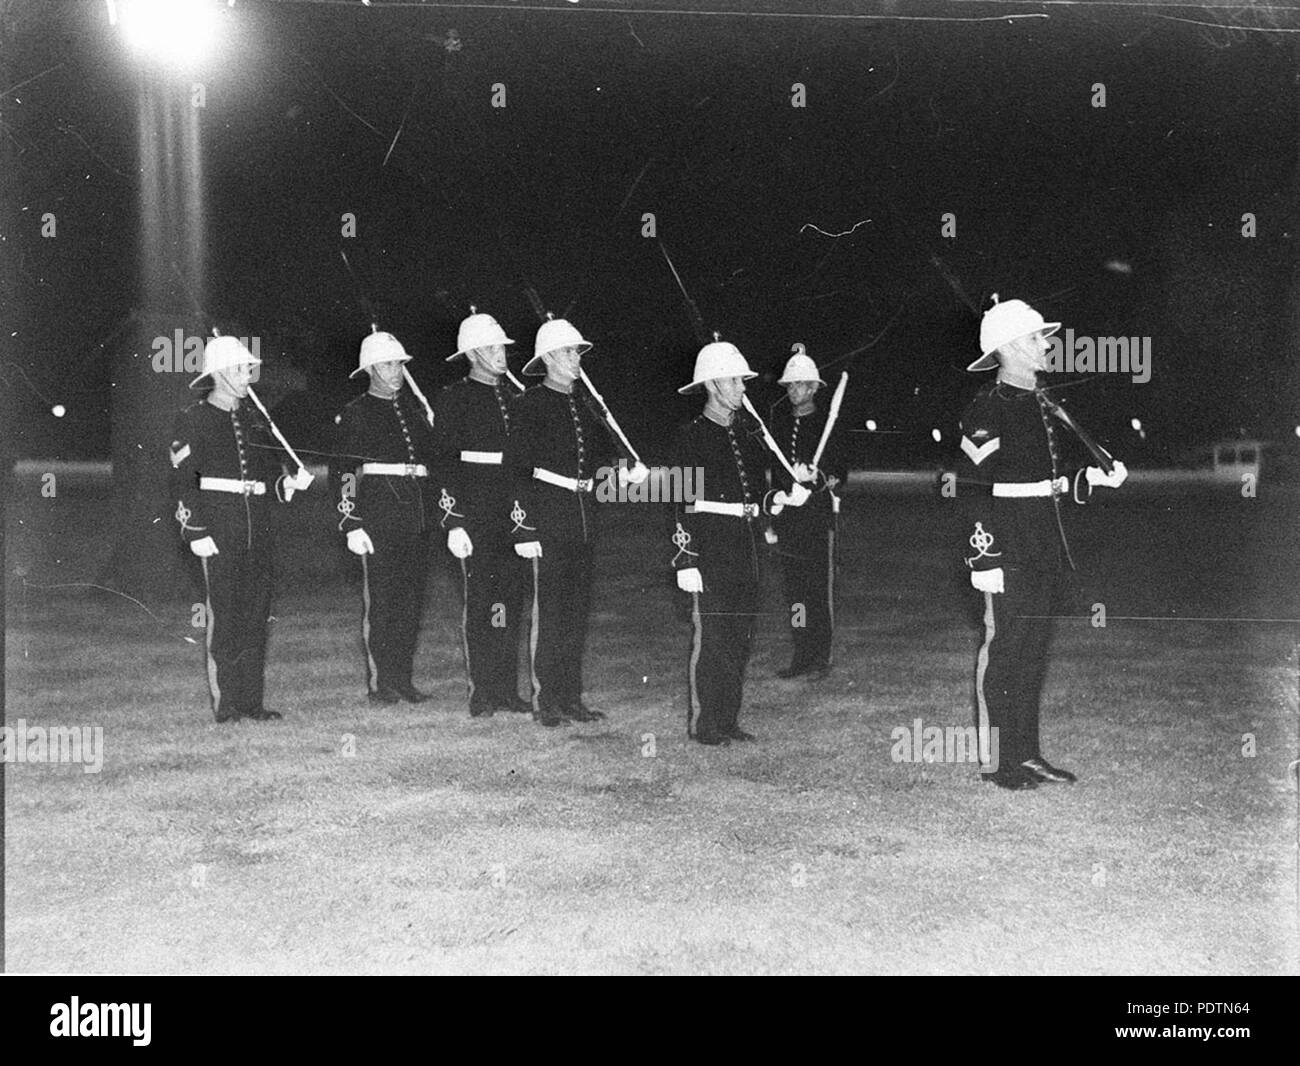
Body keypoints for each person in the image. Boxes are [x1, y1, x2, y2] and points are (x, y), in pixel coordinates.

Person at [958, 295, 1127, 790]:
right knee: (1006, 649)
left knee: (1032, 650)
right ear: (1009, 347)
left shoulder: (1042, 400)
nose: (1046, 343)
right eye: (1035, 337)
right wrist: (982, 554)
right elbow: (973, 490)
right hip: (1006, 544)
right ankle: (998, 762)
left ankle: (1026, 754)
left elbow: (1047, 481)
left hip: (1043, 540)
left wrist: (1092, 478)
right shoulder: (987, 407)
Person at [504, 314, 643, 727]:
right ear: (547, 359)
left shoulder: (584, 404)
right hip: (548, 514)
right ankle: (546, 699)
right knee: (550, 612)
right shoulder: (530, 404)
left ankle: (571, 697)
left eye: (578, 351)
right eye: (568, 351)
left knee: (577, 612)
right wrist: (523, 526)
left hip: (583, 515)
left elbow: (596, 460)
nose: (576, 357)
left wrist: (622, 469)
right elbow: (516, 469)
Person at [671, 337, 810, 746]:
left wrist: (781, 497)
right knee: (713, 636)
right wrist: (686, 558)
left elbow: (753, 494)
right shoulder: (691, 437)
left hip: (746, 544)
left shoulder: (748, 434)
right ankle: (706, 723)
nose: (744, 389)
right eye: (736, 381)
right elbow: (681, 502)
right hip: (710, 545)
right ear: (714, 385)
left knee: (740, 636)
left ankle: (728, 718)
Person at [169, 334, 311, 723]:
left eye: (249, 368)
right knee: (226, 616)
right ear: (217, 374)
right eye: (239, 369)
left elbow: (267, 480)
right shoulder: (193, 419)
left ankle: (252, 701)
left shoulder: (254, 420)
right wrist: (195, 530)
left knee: (255, 617)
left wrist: (289, 485)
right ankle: (227, 703)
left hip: (257, 528)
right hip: (218, 525)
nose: (248, 376)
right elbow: (183, 481)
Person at [433, 309, 531, 717]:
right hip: (477, 510)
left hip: (516, 515)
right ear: (472, 354)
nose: (501, 354)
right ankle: (483, 691)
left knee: (510, 601)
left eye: (502, 347)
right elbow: (442, 464)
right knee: (482, 601)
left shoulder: (516, 398)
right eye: (492, 348)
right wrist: (453, 520)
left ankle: (507, 688)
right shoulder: (454, 398)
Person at [332, 329, 437, 704]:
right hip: (380, 514)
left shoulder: (414, 411)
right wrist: (351, 521)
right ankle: (382, 682)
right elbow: (345, 471)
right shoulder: (357, 413)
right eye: (390, 364)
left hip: (417, 515)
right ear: (373, 368)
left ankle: (403, 678)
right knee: (384, 601)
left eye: (400, 364)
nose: (398, 371)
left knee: (411, 603)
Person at [768, 349, 848, 681]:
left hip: (817, 520)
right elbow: (773, 473)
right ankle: (801, 652)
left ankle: (820, 654)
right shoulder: (780, 426)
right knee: (795, 592)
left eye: (799, 385)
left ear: (814, 388)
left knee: (818, 591)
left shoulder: (828, 426)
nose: (792, 391)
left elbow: (840, 474)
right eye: (789, 386)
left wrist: (817, 479)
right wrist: (775, 509)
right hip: (789, 519)